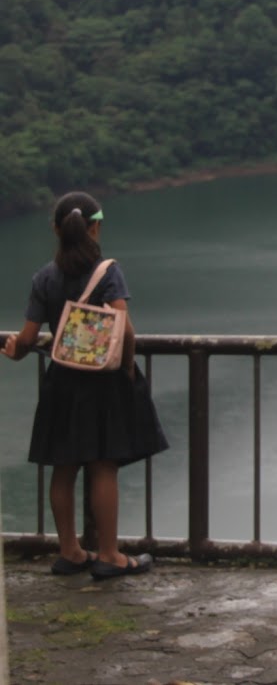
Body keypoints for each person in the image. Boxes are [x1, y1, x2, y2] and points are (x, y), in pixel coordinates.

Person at [3, 191, 168, 580]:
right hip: (102, 382)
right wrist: (128, 369)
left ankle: (70, 552)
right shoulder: (108, 271)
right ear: (95, 227)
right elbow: (124, 327)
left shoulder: (44, 277)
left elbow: (27, 338)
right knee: (103, 466)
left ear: (57, 230)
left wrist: (15, 351)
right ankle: (109, 555)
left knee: (64, 467)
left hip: (61, 381)